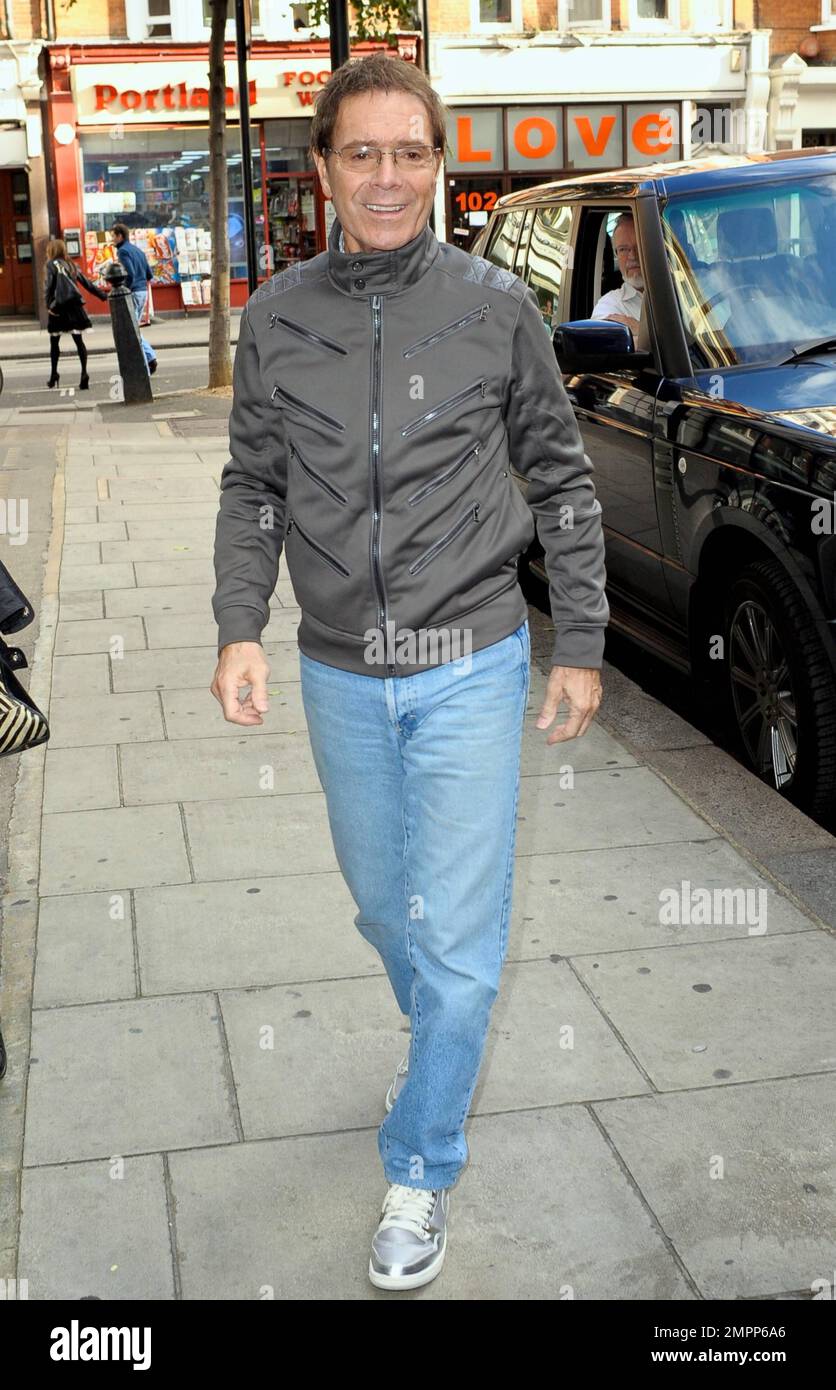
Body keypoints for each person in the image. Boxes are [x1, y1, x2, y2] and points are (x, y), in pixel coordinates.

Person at [209, 52, 608, 1292]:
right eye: (362, 152)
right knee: (391, 911)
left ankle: (419, 1161)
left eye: (411, 151)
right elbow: (252, 485)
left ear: (439, 164)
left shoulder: (494, 309)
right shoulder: (276, 315)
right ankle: (433, 1023)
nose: (388, 177)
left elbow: (561, 478)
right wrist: (237, 624)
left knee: (462, 942)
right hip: (337, 669)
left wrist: (580, 644)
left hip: (471, 661)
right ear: (322, 166)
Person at [43, 239, 109, 390]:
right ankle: (84, 373)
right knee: (79, 342)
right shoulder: (73, 265)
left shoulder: (50, 265)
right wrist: (102, 295)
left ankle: (54, 374)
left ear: (52, 251)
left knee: (54, 343)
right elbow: (87, 283)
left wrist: (48, 305)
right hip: (74, 307)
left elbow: (48, 287)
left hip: (58, 307)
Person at [109, 223, 157, 375]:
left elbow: (129, 273)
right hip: (143, 291)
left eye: (113, 236)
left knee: (131, 331)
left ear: (120, 236)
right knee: (134, 328)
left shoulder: (123, 252)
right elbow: (149, 274)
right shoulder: (138, 250)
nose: (112, 239)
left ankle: (144, 369)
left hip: (134, 292)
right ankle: (150, 357)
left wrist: (125, 289)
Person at [591, 211, 644, 340]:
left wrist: (641, 332)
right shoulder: (609, 306)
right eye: (623, 249)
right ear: (616, 255)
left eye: (640, 246)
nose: (632, 256)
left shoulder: (685, 291)